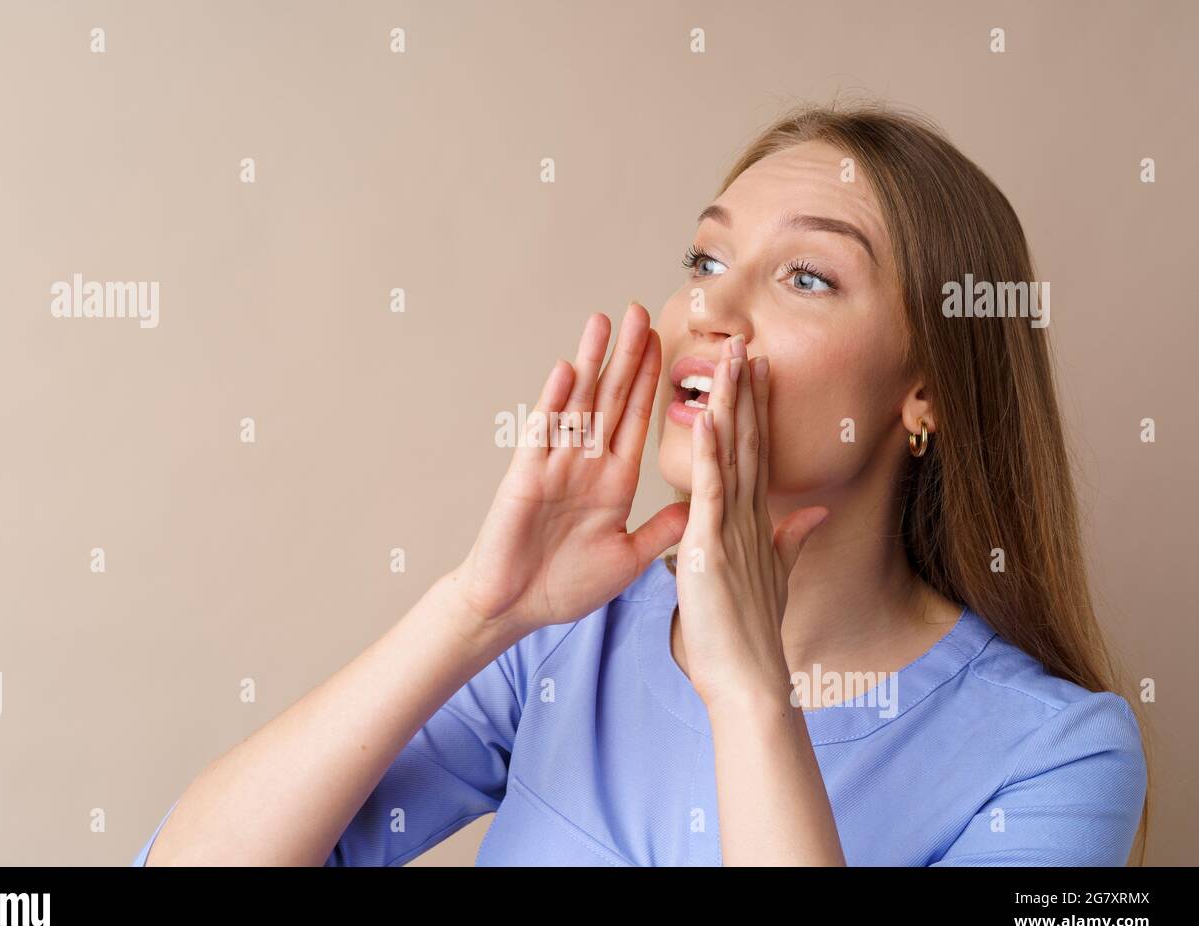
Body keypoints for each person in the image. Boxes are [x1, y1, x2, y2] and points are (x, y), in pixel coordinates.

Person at [133, 103, 1149, 866]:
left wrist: (751, 693)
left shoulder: (1059, 758)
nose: (712, 304)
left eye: (806, 276)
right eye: (705, 256)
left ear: (924, 391)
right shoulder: (572, 634)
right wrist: (477, 608)